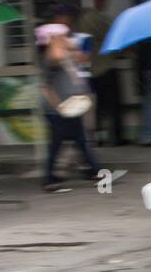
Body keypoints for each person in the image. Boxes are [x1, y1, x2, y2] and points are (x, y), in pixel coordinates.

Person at [39, 22, 103, 193]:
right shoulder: (49, 57)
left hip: (72, 107)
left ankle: (94, 171)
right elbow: (47, 82)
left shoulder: (65, 54)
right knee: (57, 144)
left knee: (80, 140)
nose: (66, 39)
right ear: (52, 39)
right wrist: (62, 44)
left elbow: (81, 58)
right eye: (61, 36)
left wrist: (72, 49)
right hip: (57, 109)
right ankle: (50, 178)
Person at [79, 0, 125, 146]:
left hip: (90, 69)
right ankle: (115, 138)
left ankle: (97, 137)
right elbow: (113, 38)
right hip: (104, 67)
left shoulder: (83, 18)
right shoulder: (97, 19)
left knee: (96, 108)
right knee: (113, 106)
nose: (105, 2)